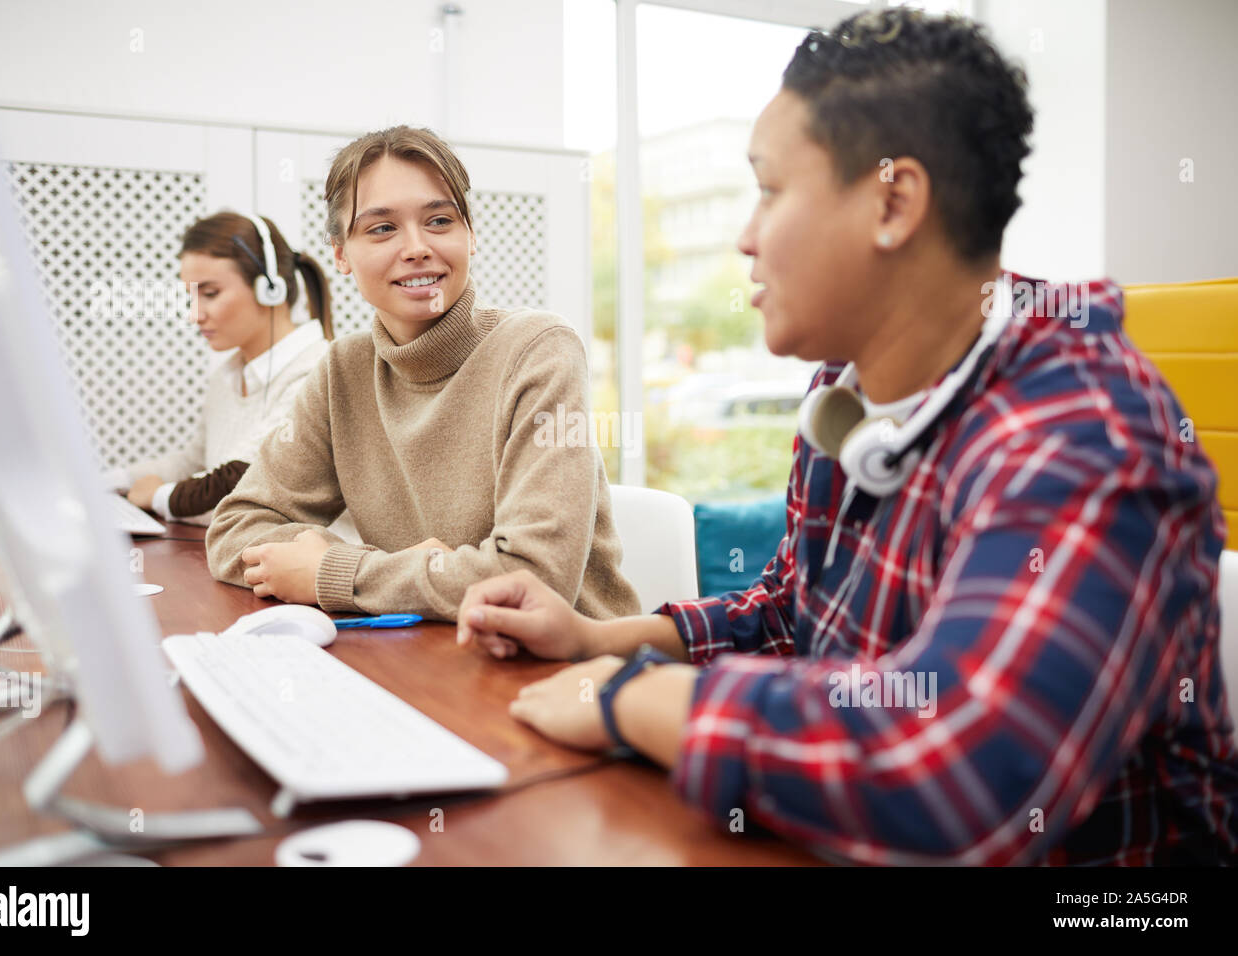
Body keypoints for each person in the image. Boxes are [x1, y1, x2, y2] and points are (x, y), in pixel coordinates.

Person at [455, 8, 1238, 865]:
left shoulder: (1087, 432)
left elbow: (955, 770)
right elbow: (795, 616)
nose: (746, 237)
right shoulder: (846, 385)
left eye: (769, 189)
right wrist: (597, 638)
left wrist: (634, 699)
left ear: (891, 202)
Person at [205, 126, 639, 622]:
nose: (416, 247)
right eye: (382, 228)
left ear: (470, 236)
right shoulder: (342, 372)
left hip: (567, 672)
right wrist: (412, 572)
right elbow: (234, 529)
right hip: (430, 651)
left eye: (439, 221)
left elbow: (533, 578)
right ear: (341, 254)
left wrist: (336, 571)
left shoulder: (540, 350)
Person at [106, 212, 334, 526]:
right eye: (191, 297)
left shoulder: (319, 371)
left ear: (270, 289)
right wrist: (110, 482)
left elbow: (246, 478)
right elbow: (192, 461)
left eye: (210, 294)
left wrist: (159, 496)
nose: (194, 315)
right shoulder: (227, 377)